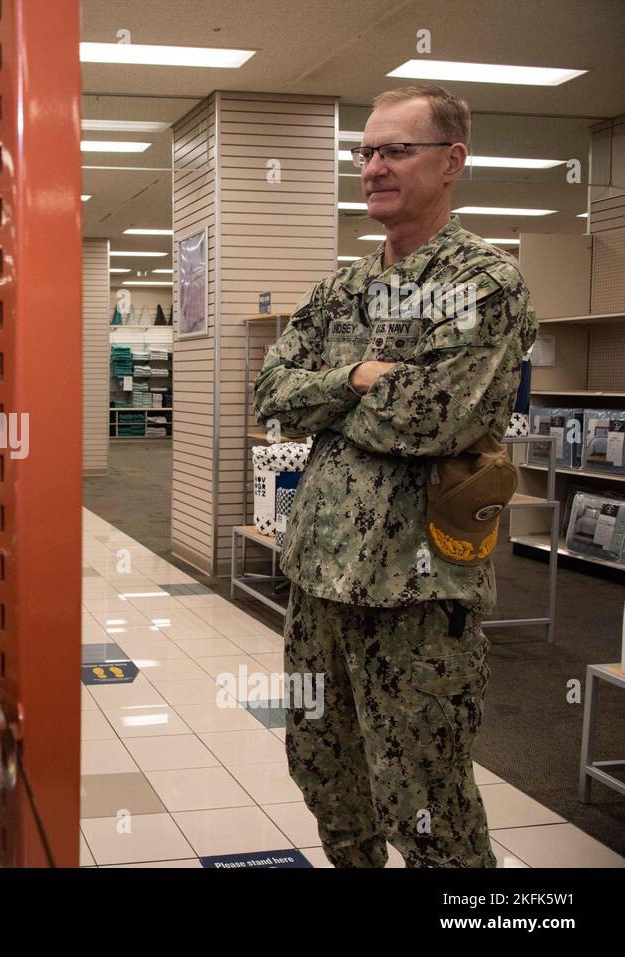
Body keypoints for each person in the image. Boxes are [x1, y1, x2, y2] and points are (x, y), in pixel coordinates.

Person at [253, 84, 537, 867]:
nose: (373, 166)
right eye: (366, 151)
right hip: (318, 580)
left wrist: (343, 395)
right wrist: (356, 380)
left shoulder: (484, 282)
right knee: (325, 774)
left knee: (424, 799)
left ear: (452, 162)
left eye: (394, 150)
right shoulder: (343, 285)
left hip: (416, 592)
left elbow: (437, 418)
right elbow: (271, 391)